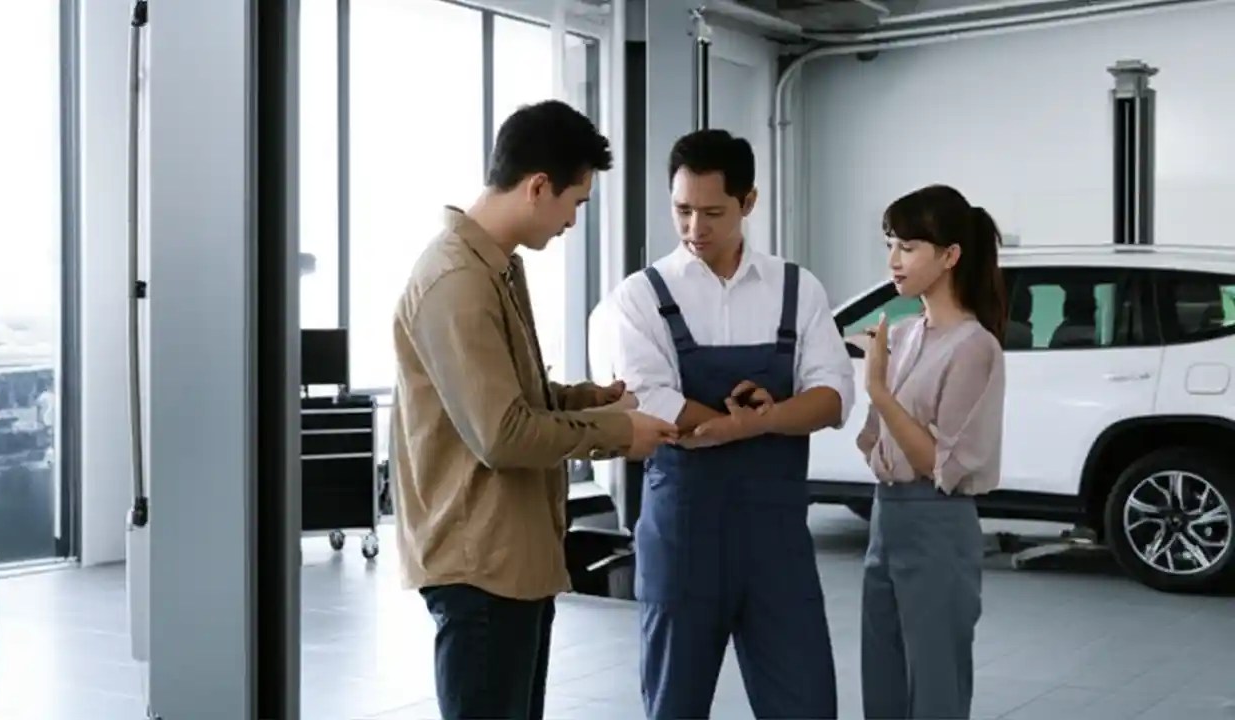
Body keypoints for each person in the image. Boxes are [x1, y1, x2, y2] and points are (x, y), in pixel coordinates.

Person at [389, 99, 679, 720]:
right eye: (576, 203)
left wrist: (584, 399)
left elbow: (510, 398)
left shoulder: (497, 270)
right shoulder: (457, 282)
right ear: (538, 187)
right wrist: (618, 432)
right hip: (480, 564)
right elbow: (502, 434)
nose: (574, 221)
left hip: (511, 556)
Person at [598, 129, 854, 719]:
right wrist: (754, 420)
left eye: (712, 212)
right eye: (681, 210)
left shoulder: (797, 288)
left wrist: (750, 426)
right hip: (683, 537)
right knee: (674, 706)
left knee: (806, 702)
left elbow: (834, 395)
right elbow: (647, 395)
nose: (694, 229)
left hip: (777, 541)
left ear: (749, 202)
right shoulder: (639, 296)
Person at [856, 184, 1007, 720]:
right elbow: (877, 444)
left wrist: (877, 388)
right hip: (886, 518)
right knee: (883, 681)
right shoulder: (903, 332)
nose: (894, 260)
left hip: (937, 522)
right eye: (890, 245)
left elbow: (937, 462)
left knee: (936, 686)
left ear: (949, 256)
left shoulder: (974, 345)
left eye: (909, 246)